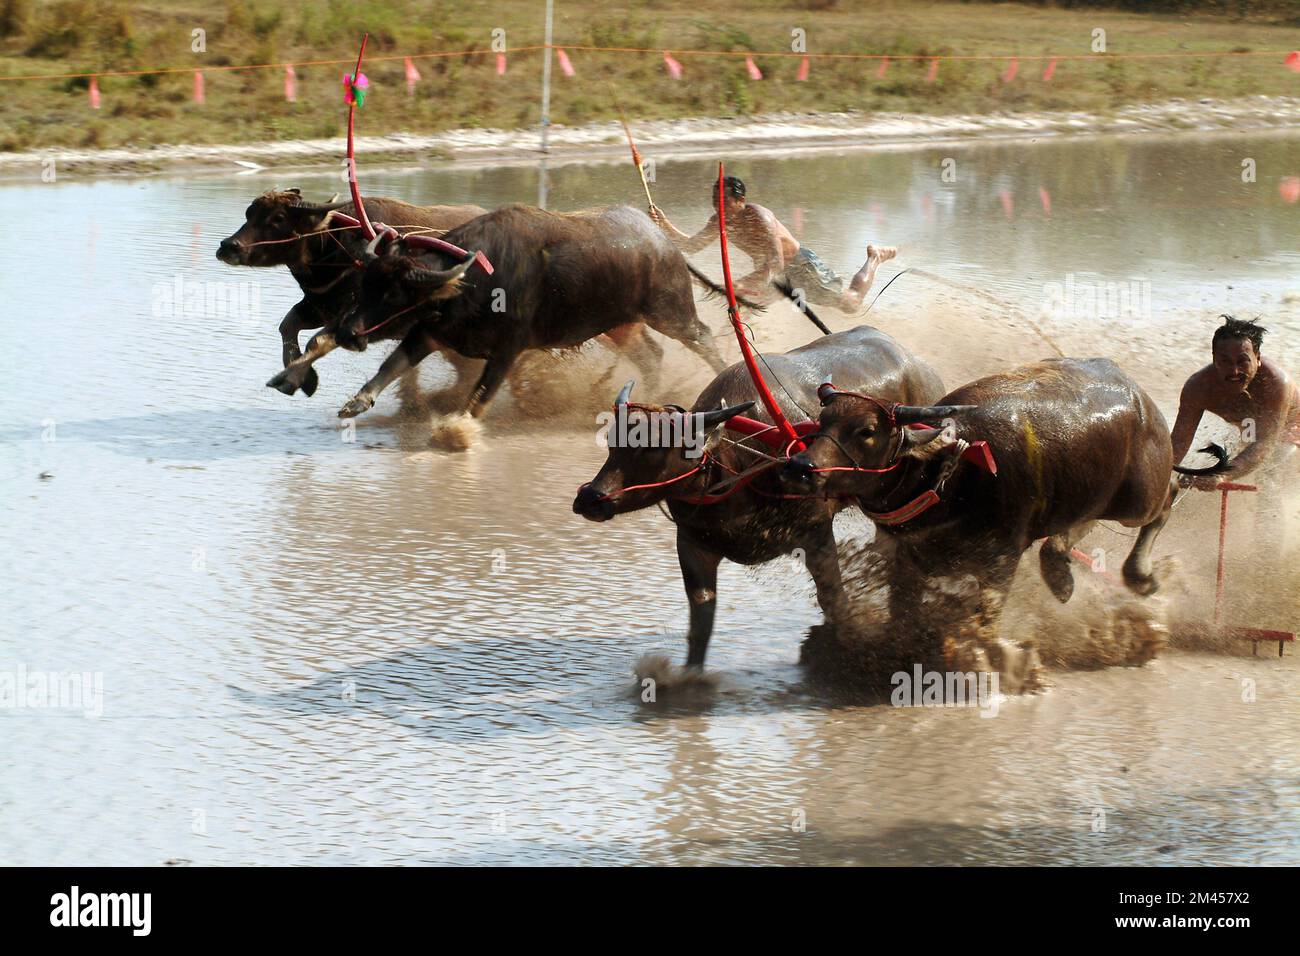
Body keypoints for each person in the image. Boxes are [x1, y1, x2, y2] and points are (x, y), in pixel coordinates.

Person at [647, 175, 896, 313]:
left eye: (723, 201)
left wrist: (740, 283)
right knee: (745, 308)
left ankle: (874, 256)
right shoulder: (718, 221)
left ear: (740, 200)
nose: (717, 206)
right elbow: (691, 246)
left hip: (800, 266)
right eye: (714, 200)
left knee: (851, 304)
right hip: (771, 276)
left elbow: (776, 263)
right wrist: (664, 223)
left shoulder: (759, 217)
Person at [1170, 316, 1300, 490]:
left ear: (1257, 358)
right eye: (1225, 361)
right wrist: (1167, 474)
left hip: (1291, 430)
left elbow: (1264, 444)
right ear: (1214, 359)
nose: (1234, 371)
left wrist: (1221, 473)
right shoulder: (1198, 387)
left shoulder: (1275, 384)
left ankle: (1275, 518)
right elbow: (1178, 443)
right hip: (1250, 432)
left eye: (1242, 361)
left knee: (1267, 477)